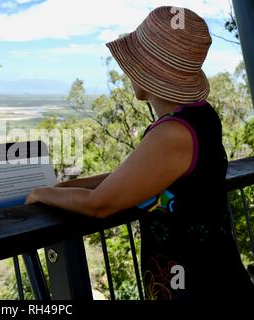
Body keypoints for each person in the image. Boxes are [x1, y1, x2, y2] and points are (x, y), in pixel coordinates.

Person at [25, 6, 254, 300]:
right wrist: (63, 187)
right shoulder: (200, 116)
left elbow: (99, 205)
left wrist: (40, 195)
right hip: (217, 276)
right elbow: (128, 179)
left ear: (149, 72)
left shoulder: (173, 133)